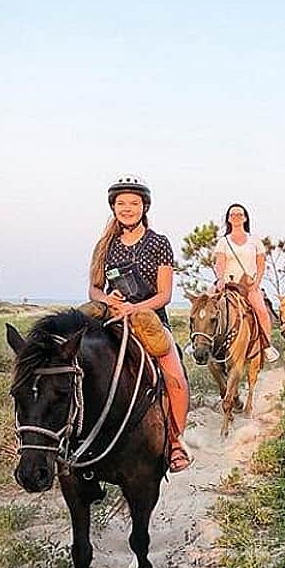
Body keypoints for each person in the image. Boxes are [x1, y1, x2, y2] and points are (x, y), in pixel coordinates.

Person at [87, 174, 193, 472]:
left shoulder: (159, 243)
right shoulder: (104, 246)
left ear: (144, 207)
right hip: (113, 316)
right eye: (121, 203)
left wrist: (134, 308)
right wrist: (110, 301)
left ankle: (175, 442)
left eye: (134, 203)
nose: (127, 208)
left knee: (175, 375)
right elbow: (95, 289)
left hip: (149, 319)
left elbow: (164, 295)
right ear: (113, 207)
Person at [211, 203, 280, 363]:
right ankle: (198, 343)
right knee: (203, 303)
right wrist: (220, 278)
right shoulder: (223, 241)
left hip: (248, 285)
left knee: (261, 311)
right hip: (228, 283)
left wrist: (257, 283)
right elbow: (220, 262)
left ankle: (267, 346)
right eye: (232, 215)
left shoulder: (254, 240)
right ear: (228, 219)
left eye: (239, 215)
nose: (236, 217)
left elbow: (261, 264)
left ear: (245, 218)